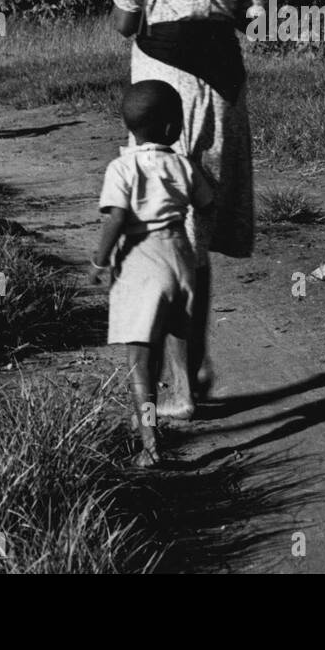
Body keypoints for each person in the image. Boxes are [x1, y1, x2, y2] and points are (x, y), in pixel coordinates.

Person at [110, 0, 266, 408]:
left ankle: (179, 389)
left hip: (161, 85)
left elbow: (127, 22)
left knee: (164, 228)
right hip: (224, 85)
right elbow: (251, 19)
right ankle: (194, 369)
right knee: (199, 223)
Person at [91, 80, 214, 467]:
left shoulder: (121, 167)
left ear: (131, 128)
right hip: (181, 260)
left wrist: (99, 261)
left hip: (141, 266)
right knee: (176, 337)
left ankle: (150, 444)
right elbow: (207, 202)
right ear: (172, 130)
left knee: (141, 365)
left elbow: (116, 218)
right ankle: (186, 395)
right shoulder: (183, 165)